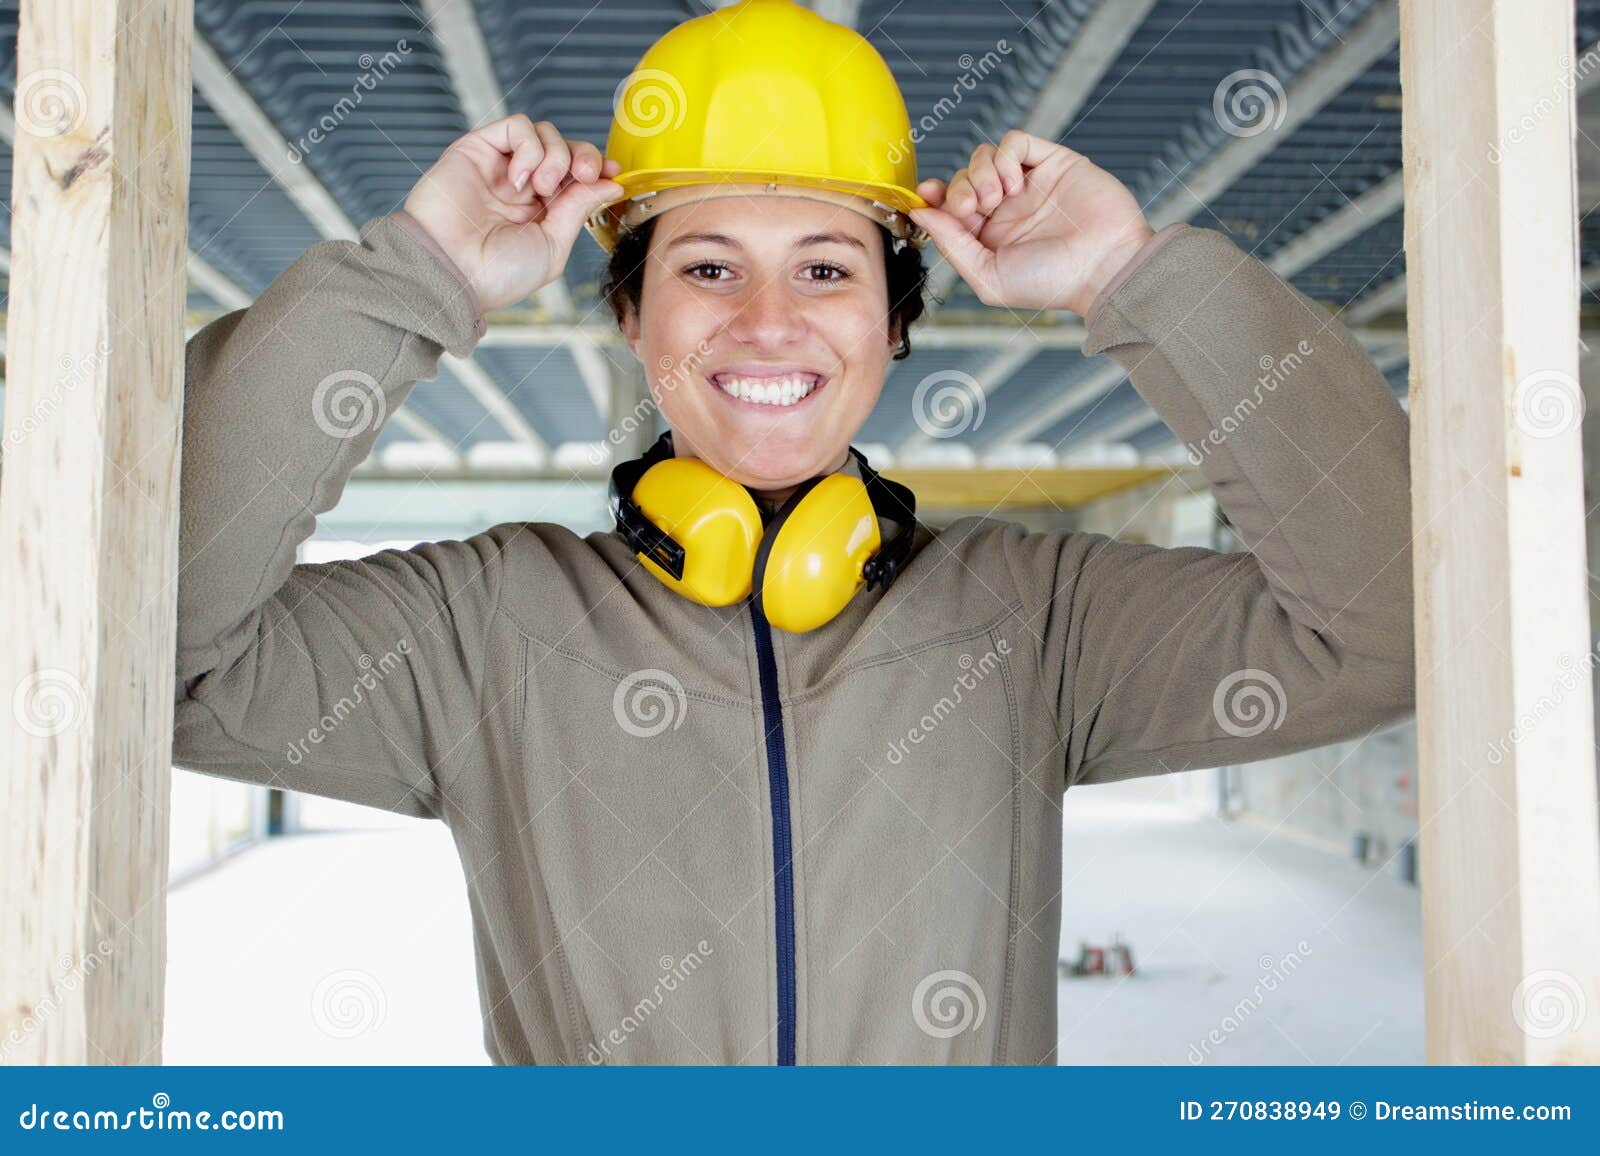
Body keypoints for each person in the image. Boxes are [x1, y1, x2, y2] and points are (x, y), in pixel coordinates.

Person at [172, 0, 1414, 1065]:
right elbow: (163, 659)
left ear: (893, 322)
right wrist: (418, 268)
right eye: (707, 268)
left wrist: (1131, 277)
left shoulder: (1036, 621)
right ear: (630, 316)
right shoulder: (483, 630)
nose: (769, 323)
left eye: (826, 270)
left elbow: (1389, 625)